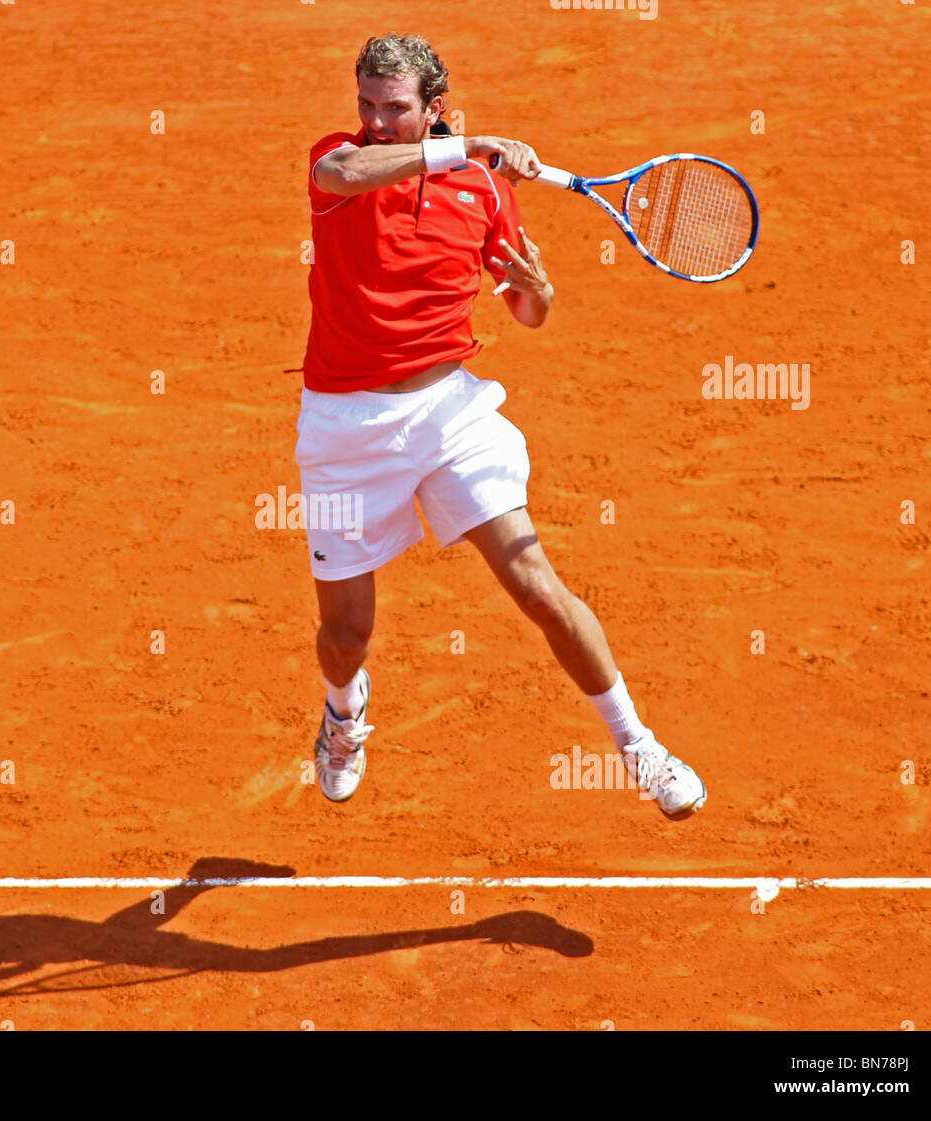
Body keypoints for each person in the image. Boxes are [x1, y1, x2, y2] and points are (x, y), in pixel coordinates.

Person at [298, 32, 707, 819]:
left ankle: (638, 745)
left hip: (450, 412)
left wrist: (539, 292)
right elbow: (346, 171)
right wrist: (463, 150)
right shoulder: (340, 162)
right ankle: (343, 714)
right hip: (347, 425)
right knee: (346, 634)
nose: (376, 123)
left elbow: (525, 311)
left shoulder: (484, 191)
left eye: (396, 110)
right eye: (367, 106)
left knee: (538, 587)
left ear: (433, 109)